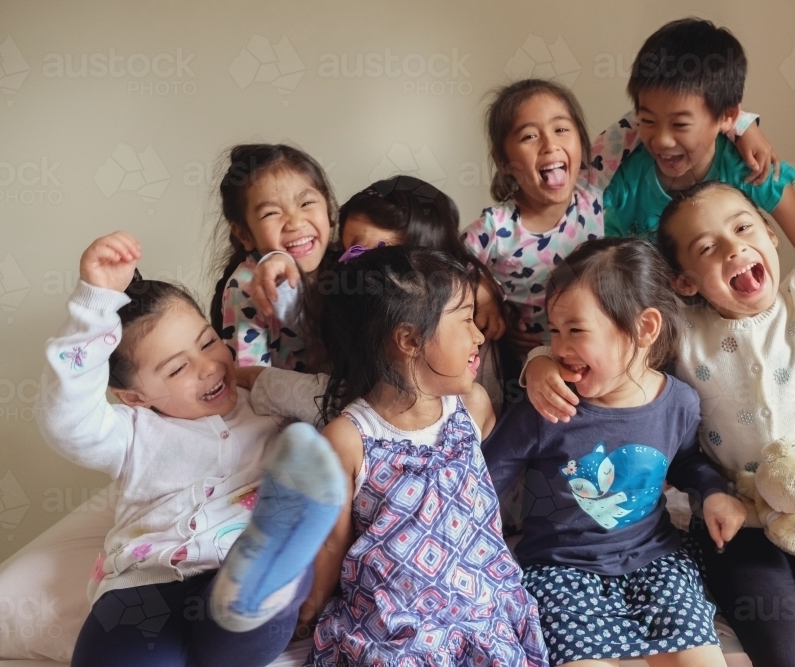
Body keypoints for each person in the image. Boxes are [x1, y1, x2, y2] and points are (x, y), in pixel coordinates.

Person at [523, 44, 795, 667]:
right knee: (790, 651)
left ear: (769, 234)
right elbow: (598, 337)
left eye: (743, 229)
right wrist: (538, 361)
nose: (733, 249)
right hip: (734, 521)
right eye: (706, 248)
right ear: (684, 282)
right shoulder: (677, 331)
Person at [35, 231, 345, 667]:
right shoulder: (129, 433)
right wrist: (95, 304)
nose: (208, 366)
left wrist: (267, 371)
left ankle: (269, 566)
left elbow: (340, 402)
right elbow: (65, 419)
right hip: (145, 585)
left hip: (234, 571)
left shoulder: (268, 405)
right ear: (135, 397)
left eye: (208, 341)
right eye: (178, 368)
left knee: (255, 613)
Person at [239, 245, 549, 665]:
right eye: (465, 320)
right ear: (409, 340)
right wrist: (307, 612)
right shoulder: (349, 438)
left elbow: (480, 510)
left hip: (481, 608)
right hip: (396, 624)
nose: (479, 335)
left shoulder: (472, 405)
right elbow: (332, 543)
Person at [483, 238, 747, 666]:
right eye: (555, 331)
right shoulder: (546, 407)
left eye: (576, 330)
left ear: (644, 329)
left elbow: (686, 462)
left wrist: (713, 492)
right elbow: (482, 481)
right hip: (561, 570)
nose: (560, 348)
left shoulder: (678, 402)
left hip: (656, 560)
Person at [463, 78, 776, 352]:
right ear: (503, 161)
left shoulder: (594, 182)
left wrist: (742, 126)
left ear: (582, 143)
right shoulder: (495, 228)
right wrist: (485, 294)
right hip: (535, 363)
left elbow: (650, 116)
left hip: (606, 354)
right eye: (529, 136)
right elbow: (447, 262)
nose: (549, 144)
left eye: (561, 129)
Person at [250, 174, 524, 414]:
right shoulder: (348, 304)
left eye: (379, 254)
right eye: (352, 255)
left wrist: (481, 286)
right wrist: (279, 263)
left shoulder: (471, 340)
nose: (360, 271)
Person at [597, 18, 795, 264]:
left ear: (728, 117)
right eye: (648, 121)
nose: (662, 140)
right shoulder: (624, 175)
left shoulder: (750, 169)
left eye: (680, 124)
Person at [209, 143, 338, 373]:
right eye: (271, 213)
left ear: (328, 209)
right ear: (244, 235)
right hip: (285, 396)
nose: (295, 222)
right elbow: (250, 377)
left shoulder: (345, 261)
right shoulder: (246, 287)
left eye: (306, 203)